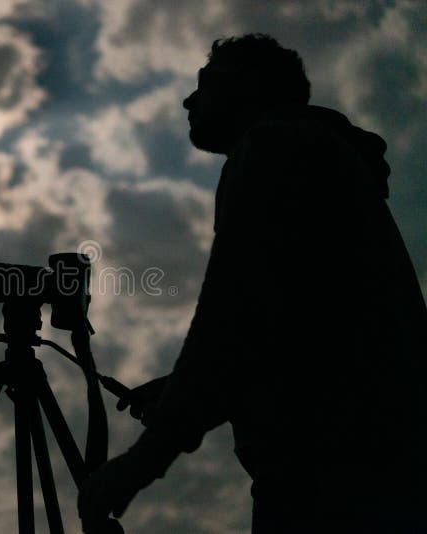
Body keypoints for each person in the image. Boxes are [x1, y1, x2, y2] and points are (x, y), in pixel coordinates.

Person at [78, 34, 427, 534]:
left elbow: (229, 321)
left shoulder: (272, 145)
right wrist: (190, 392)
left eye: (206, 84)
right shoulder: (321, 157)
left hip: (331, 481)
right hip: (373, 464)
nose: (188, 100)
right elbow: (287, 336)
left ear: (249, 88)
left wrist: (139, 464)